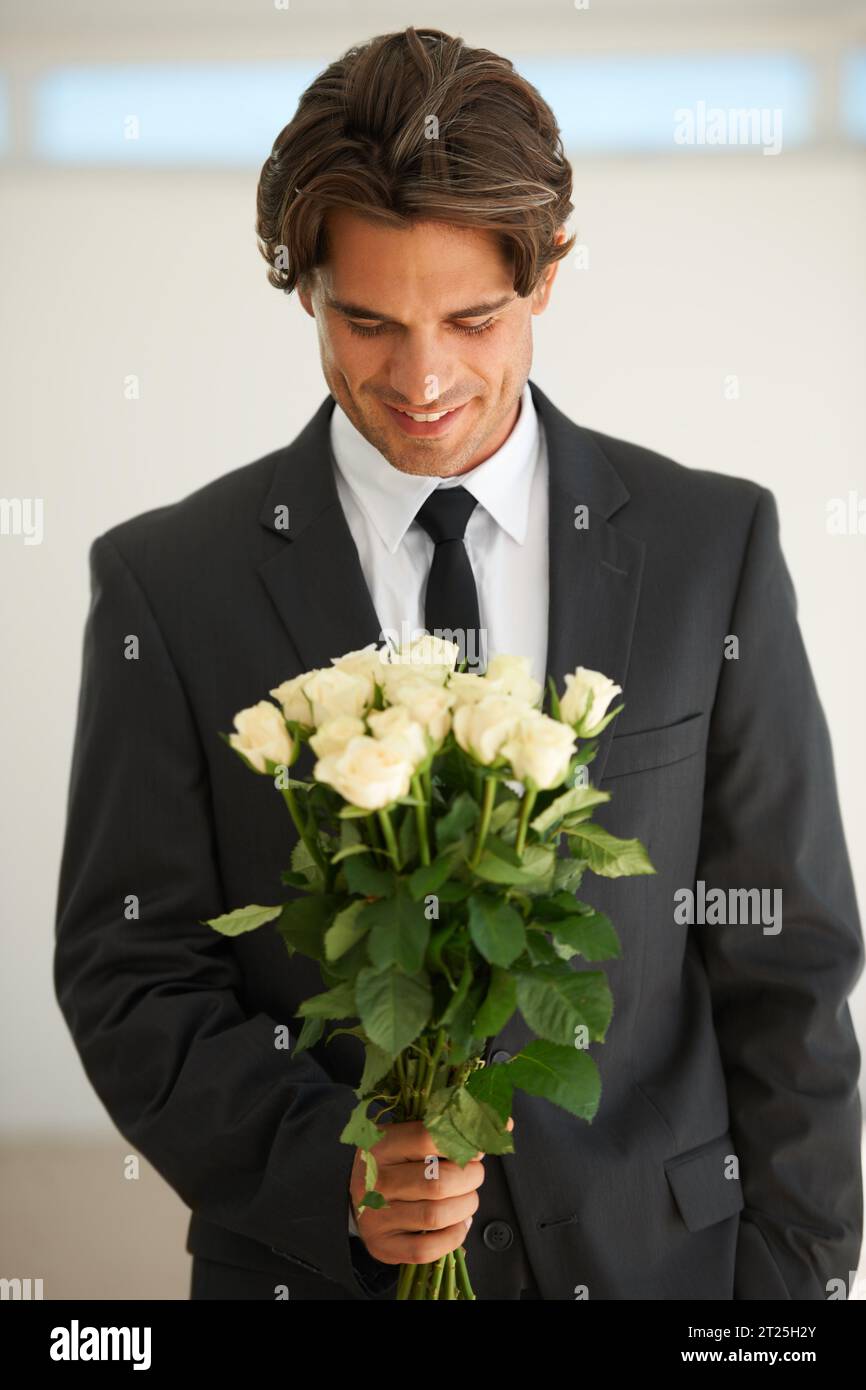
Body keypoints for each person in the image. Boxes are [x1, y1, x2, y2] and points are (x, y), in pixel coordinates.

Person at [54, 25, 863, 1301]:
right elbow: (131, 967)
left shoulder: (716, 548)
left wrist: (787, 1297)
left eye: (471, 318)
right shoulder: (169, 582)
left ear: (544, 275)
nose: (421, 379)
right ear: (305, 289)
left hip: (669, 1272)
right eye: (365, 321)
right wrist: (339, 1171)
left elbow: (787, 957)